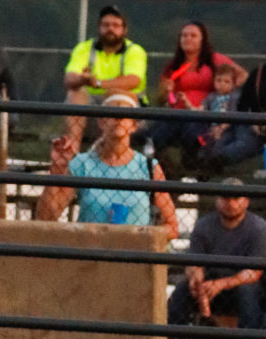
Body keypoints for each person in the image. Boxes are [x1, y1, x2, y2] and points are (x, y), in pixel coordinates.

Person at [36, 93, 177, 235]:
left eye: (125, 113)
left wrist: (146, 236)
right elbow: (46, 218)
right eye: (112, 112)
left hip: (134, 252)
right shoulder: (82, 164)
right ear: (102, 122)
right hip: (91, 250)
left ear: (134, 125)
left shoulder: (148, 167)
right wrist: (56, 173)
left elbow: (172, 225)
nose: (118, 117)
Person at [167, 184, 266, 330]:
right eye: (225, 198)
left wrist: (220, 284)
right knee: (182, 289)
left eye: (236, 198)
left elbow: (254, 273)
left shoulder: (259, 228)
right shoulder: (203, 225)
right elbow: (193, 262)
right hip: (209, 284)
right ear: (216, 200)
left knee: (247, 291)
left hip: (242, 286)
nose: (230, 203)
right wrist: (196, 279)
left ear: (246, 201)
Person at [144, 22, 247, 161]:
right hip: (176, 114)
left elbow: (243, 75)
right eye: (184, 35)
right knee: (157, 133)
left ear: (202, 40)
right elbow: (161, 99)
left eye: (193, 35)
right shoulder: (173, 65)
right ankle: (159, 166)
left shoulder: (214, 59)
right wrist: (167, 90)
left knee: (192, 132)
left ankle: (194, 169)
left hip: (204, 115)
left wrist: (226, 89)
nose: (188, 38)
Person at [62, 5, 148, 147]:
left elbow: (133, 80)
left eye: (115, 25)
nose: (110, 29)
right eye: (106, 25)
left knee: (120, 99)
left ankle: (115, 159)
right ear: (98, 27)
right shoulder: (84, 48)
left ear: (124, 29)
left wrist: (99, 84)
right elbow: (69, 78)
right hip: (91, 110)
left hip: (127, 109)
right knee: (75, 94)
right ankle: (72, 153)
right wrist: (82, 80)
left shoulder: (135, 51)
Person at [196, 62, 258, 170]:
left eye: (227, 82)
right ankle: (201, 162)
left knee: (220, 144)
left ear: (234, 85)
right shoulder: (211, 97)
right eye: (219, 80)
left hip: (227, 128)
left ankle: (215, 163)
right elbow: (200, 109)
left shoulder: (234, 97)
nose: (222, 84)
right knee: (205, 144)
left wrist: (221, 128)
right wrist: (186, 103)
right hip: (211, 128)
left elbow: (234, 114)